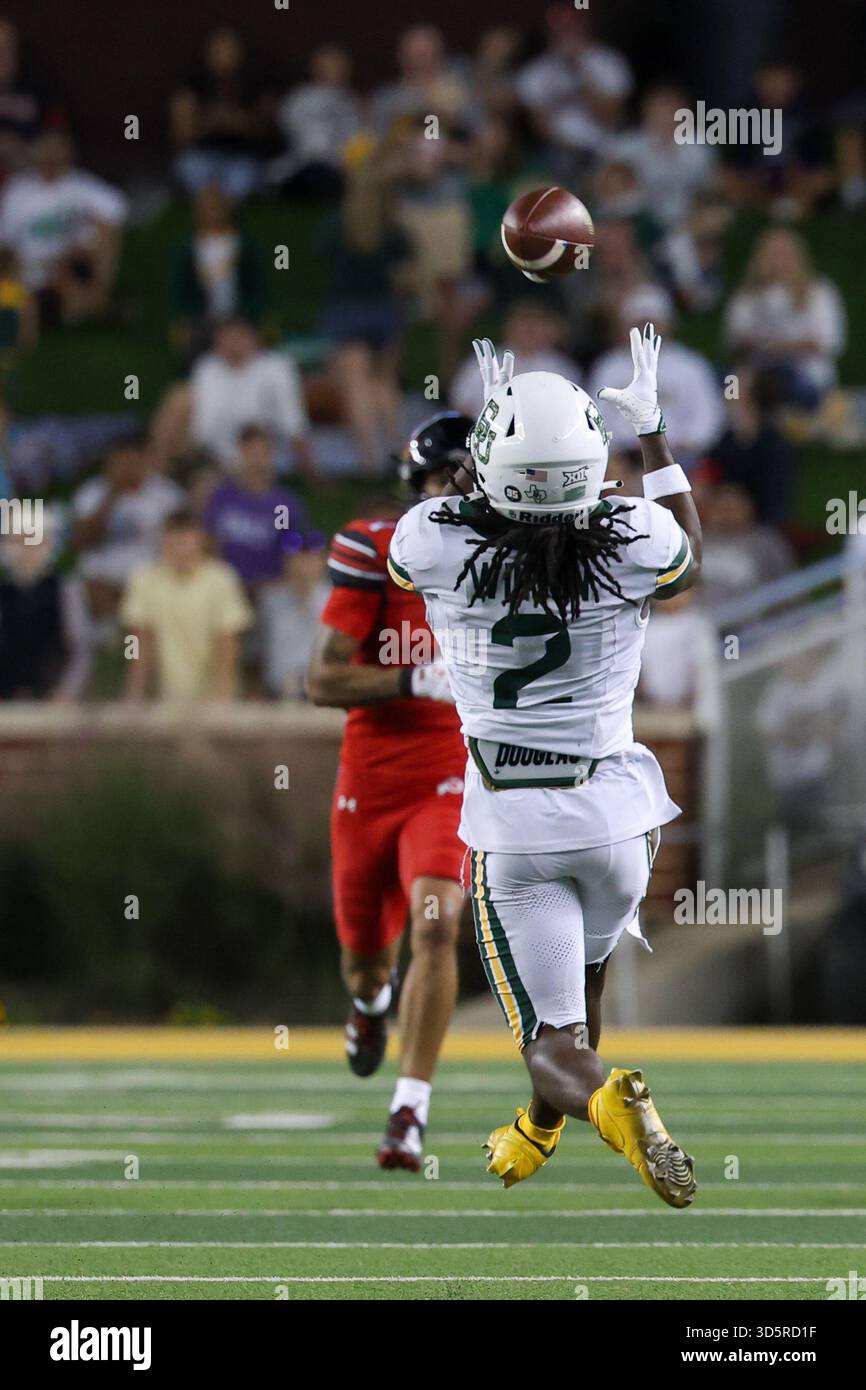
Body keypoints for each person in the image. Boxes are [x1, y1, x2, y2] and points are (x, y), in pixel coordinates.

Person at [387, 329, 701, 1206]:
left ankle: (603, 1101)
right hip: (619, 818)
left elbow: (458, 521)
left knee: (549, 1036)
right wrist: (654, 432)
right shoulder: (631, 533)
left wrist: (492, 440)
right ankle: (544, 1122)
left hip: (517, 831)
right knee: (579, 987)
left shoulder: (436, 539)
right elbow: (690, 555)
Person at [306, 412, 473, 1171]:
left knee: (437, 927)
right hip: (371, 779)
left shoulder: (501, 553)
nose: (464, 498)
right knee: (366, 959)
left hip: (449, 772)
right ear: (420, 486)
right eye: (451, 482)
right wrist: (416, 677)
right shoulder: (374, 550)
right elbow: (321, 679)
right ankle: (372, 1006)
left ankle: (409, 1110)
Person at [151, 318, 314, 476]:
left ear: (252, 338)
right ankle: (157, 472)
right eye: (226, 337)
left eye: (237, 336)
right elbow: (202, 420)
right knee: (179, 396)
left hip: (254, 447)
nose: (231, 343)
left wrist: (311, 471)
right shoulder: (207, 366)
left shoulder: (277, 367)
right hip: (209, 447)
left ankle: (172, 474)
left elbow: (293, 421)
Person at [121, 509, 252, 702]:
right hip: (163, 697)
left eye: (186, 539)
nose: (179, 546)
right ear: (163, 539)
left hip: (213, 697)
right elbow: (136, 640)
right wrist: (134, 690)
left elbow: (228, 642)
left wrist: (221, 692)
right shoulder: (143, 578)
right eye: (173, 538)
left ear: (201, 539)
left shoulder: (222, 578)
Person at [0, 129, 127, 325]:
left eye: (58, 154)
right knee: (15, 291)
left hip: (67, 263)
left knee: (102, 238)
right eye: (47, 153)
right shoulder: (19, 190)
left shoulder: (78, 184)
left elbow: (114, 210)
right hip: (29, 266)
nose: (52, 159)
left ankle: (96, 298)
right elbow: (7, 243)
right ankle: (60, 310)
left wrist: (80, 248)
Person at [589, 288, 724, 467]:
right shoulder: (609, 367)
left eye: (652, 322)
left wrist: (688, 443)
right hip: (622, 459)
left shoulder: (691, 366)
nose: (646, 329)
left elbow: (708, 416)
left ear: (667, 323)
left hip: (678, 456)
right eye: (639, 322)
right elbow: (594, 416)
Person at [723, 228, 846, 406]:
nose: (778, 260)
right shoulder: (746, 296)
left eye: (784, 254)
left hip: (806, 376)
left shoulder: (819, 292)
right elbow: (734, 341)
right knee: (730, 382)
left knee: (782, 381)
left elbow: (829, 342)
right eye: (772, 254)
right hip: (758, 373)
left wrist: (777, 346)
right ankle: (734, 426)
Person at [71, 435, 184, 620]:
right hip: (102, 580)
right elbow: (82, 542)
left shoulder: (168, 494)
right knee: (88, 587)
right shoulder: (90, 494)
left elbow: (182, 542)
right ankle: (112, 635)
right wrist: (112, 496)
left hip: (152, 579)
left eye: (133, 462)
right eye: (121, 463)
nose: (127, 469)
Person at [169, 27, 275, 201]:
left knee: (241, 180)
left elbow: (269, 132)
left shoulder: (256, 85)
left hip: (243, 158)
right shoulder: (192, 86)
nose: (224, 57)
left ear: (240, 54)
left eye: (229, 51)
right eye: (218, 51)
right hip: (202, 156)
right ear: (208, 54)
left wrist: (241, 123)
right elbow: (180, 137)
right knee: (189, 167)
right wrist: (209, 123)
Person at [203, 425, 310, 591]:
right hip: (226, 588)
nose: (256, 459)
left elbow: (291, 554)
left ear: (270, 454)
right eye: (250, 452)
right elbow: (211, 543)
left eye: (261, 452)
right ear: (241, 453)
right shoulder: (223, 498)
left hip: (270, 588)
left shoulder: (282, 506)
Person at [170, 184, 266, 354]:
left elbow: (257, 289)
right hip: (202, 319)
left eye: (217, 207)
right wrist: (191, 317)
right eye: (207, 208)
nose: (212, 213)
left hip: (239, 318)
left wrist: (246, 316)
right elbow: (180, 292)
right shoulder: (189, 248)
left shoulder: (244, 245)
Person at [450, 298, 581, 419]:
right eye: (523, 319)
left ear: (551, 328)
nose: (529, 327)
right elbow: (459, 410)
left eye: (536, 320)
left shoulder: (565, 371)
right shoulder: (481, 363)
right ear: (507, 325)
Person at [273, 45, 359, 199]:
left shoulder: (350, 102)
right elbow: (294, 135)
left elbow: (354, 137)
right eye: (330, 65)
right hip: (302, 165)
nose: (335, 70)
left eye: (339, 66)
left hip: (338, 169)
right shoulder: (299, 98)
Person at [258, 531, 329, 699]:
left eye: (310, 557)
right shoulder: (269, 601)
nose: (304, 564)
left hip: (323, 695)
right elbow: (258, 653)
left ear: (322, 561)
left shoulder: (336, 600)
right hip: (277, 695)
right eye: (298, 557)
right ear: (286, 561)